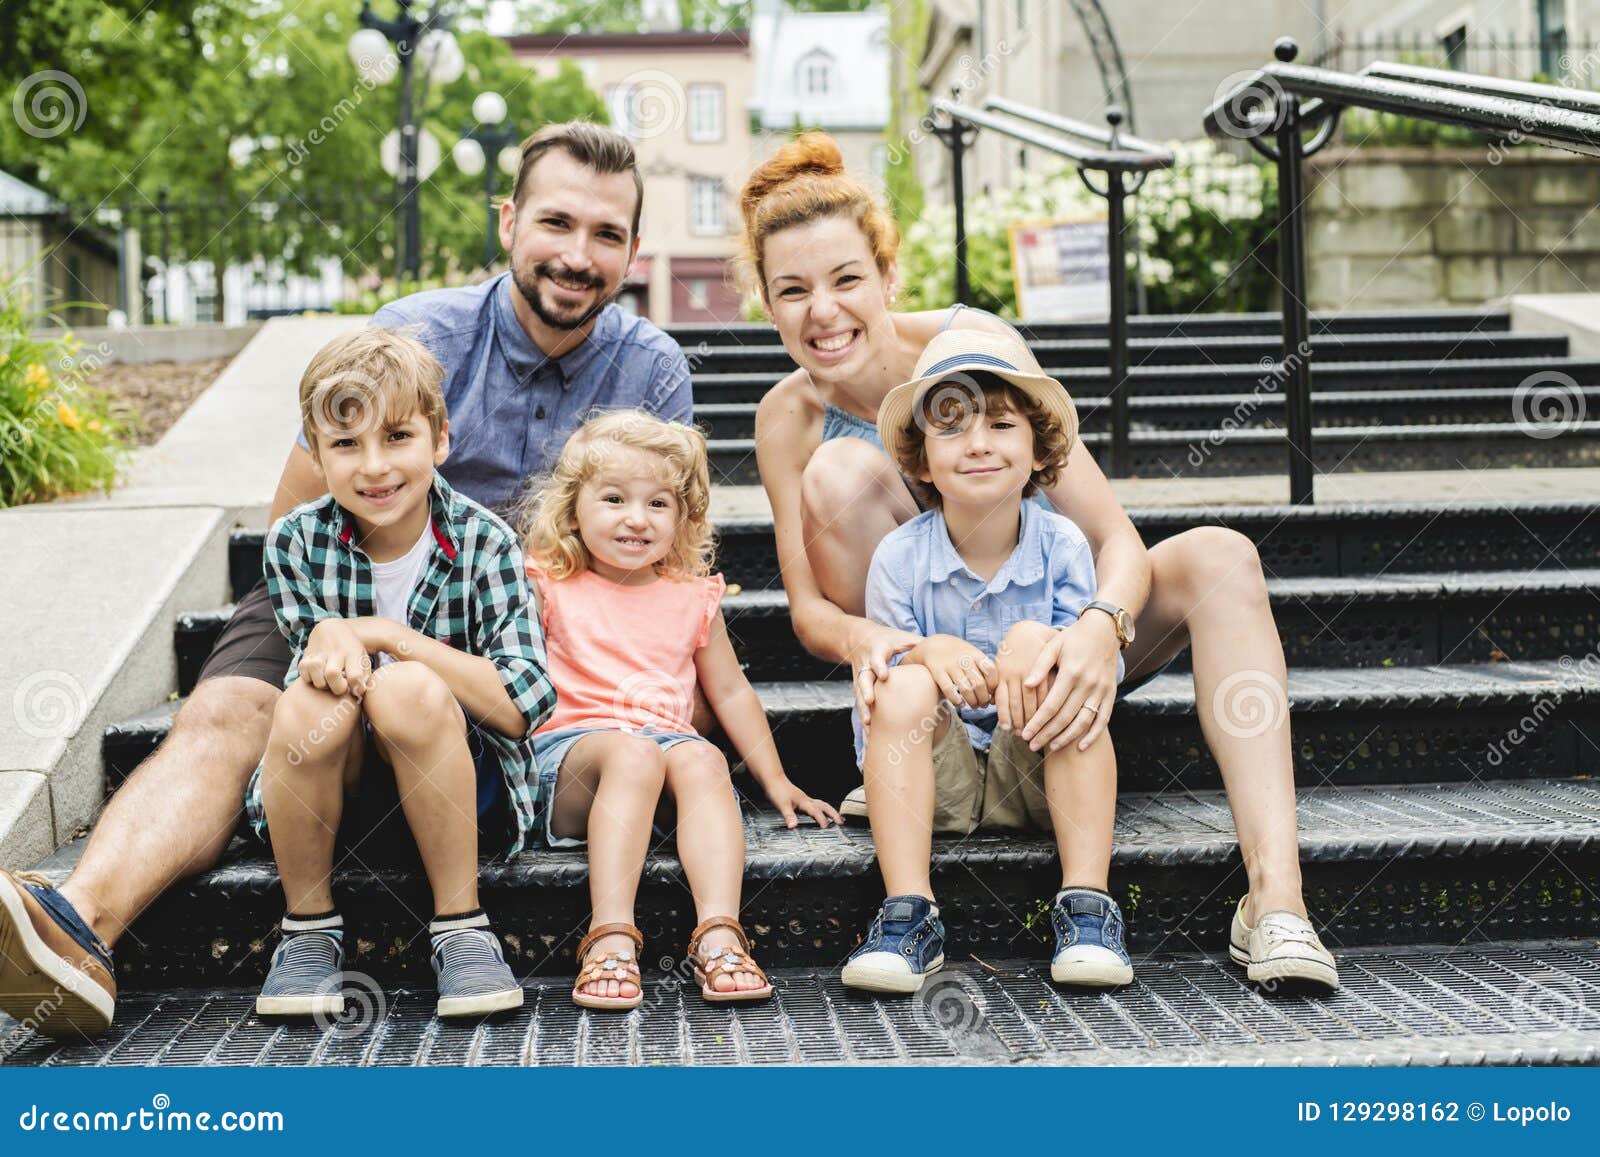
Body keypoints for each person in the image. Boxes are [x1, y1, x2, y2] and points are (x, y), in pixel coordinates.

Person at [0, 121, 693, 1037]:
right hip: (338, 585)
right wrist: (331, 627)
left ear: (632, 249)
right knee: (233, 710)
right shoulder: (416, 332)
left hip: (507, 621)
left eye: (607, 234)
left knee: (416, 692)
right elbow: (299, 515)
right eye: (556, 223)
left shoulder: (651, 368)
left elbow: (671, 556)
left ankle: (447, 919)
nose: (578, 254)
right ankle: (79, 926)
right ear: (508, 222)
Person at [739, 132, 1338, 990]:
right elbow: (810, 613)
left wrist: (1099, 626)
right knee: (842, 469)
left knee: (1224, 557)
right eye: (792, 291)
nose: (822, 311)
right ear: (767, 304)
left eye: (844, 280)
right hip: (928, 671)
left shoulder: (975, 345)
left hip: (1052, 643)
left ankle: (1277, 899)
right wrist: (895, 650)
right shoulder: (787, 420)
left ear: (885, 277)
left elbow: (1112, 538)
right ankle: (917, 789)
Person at [250, 327, 551, 1020]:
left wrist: (390, 637)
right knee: (302, 702)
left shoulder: (485, 541)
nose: (375, 466)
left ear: (439, 439)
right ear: (317, 456)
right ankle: (308, 931)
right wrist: (332, 641)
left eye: (397, 436)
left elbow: (522, 704)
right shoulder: (296, 543)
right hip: (342, 801)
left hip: (465, 798)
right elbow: (319, 690)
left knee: (407, 687)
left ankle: (461, 926)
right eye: (346, 444)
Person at [841, 331, 1132, 994]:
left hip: (1030, 768)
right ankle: (908, 912)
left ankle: (1086, 904)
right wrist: (922, 652)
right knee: (904, 682)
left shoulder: (1061, 544)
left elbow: (1095, 678)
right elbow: (879, 686)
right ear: (920, 459)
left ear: (1038, 450)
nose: (977, 444)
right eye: (952, 428)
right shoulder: (899, 557)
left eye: (1002, 424)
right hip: (932, 780)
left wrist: (1036, 643)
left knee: (1066, 670)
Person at [521, 411, 840, 1011]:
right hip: (573, 767)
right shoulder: (548, 586)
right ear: (573, 507)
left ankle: (718, 933)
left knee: (700, 757)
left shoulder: (692, 598)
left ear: (684, 517)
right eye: (613, 499)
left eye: (658, 504)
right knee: (634, 753)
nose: (636, 519)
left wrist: (775, 780)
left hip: (663, 755)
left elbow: (732, 692)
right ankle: (610, 936)